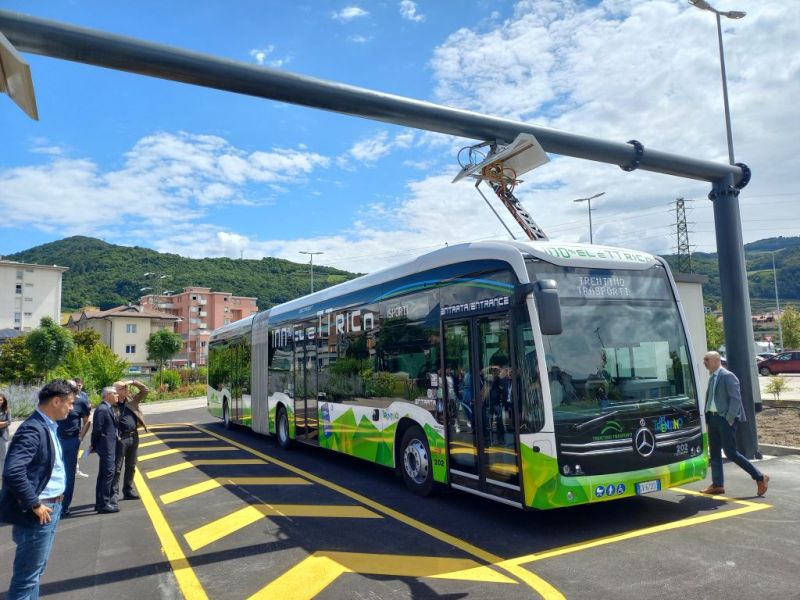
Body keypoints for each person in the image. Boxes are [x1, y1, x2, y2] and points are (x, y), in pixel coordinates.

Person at [0, 380, 76, 600]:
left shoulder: (47, 425)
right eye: (70, 403)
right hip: (40, 511)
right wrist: (35, 503)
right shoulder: (33, 429)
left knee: (35, 572)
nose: (72, 408)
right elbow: (13, 471)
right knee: (27, 577)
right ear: (56, 401)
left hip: (51, 506)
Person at [701, 351, 770, 497]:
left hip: (725, 420)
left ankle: (760, 477)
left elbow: (735, 399)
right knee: (714, 453)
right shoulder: (712, 377)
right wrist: (708, 418)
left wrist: (729, 419)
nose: (704, 362)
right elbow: (711, 399)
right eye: (704, 359)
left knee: (731, 453)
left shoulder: (728, 376)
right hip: (713, 419)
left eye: (707, 359)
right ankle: (718, 485)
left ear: (717, 360)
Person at [56, 377, 92, 517]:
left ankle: (64, 507)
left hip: (71, 441)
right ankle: (51, 504)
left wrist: (80, 438)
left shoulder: (80, 402)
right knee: (52, 472)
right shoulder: (56, 400)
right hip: (54, 441)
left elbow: (87, 420)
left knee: (68, 475)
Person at [112, 379, 149, 501]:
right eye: (123, 388)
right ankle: (113, 493)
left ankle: (128, 490)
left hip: (133, 436)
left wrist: (133, 382)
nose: (126, 389)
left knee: (131, 465)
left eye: (126, 387)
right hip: (120, 438)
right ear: (116, 391)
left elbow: (145, 390)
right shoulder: (112, 404)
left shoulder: (131, 400)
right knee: (117, 467)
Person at [91, 386, 120, 513]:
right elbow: (97, 429)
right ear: (107, 395)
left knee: (104, 475)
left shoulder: (108, 408)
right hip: (106, 447)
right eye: (115, 393)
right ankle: (104, 503)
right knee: (108, 474)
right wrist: (93, 445)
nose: (117, 395)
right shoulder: (102, 409)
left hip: (109, 446)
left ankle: (100, 503)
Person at [0, 392, 10, 471]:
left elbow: (9, 422)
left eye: (0, 400)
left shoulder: (7, 410)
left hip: (3, 436)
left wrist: (1, 424)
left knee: (4, 457)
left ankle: (2, 473)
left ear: (3, 401)